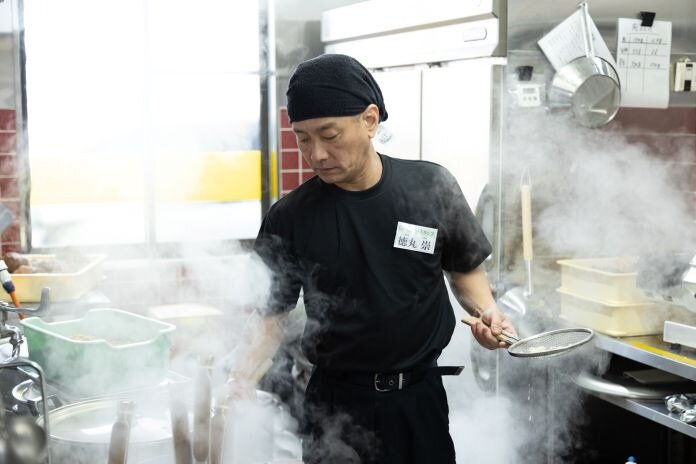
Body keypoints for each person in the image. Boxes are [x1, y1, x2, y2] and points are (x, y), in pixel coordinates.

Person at [228, 53, 517, 464]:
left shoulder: (430, 185)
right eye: (303, 138)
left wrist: (487, 312)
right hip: (335, 408)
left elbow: (464, 267)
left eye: (329, 135)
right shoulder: (290, 217)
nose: (317, 154)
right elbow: (270, 316)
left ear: (369, 120)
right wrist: (239, 380)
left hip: (419, 402)